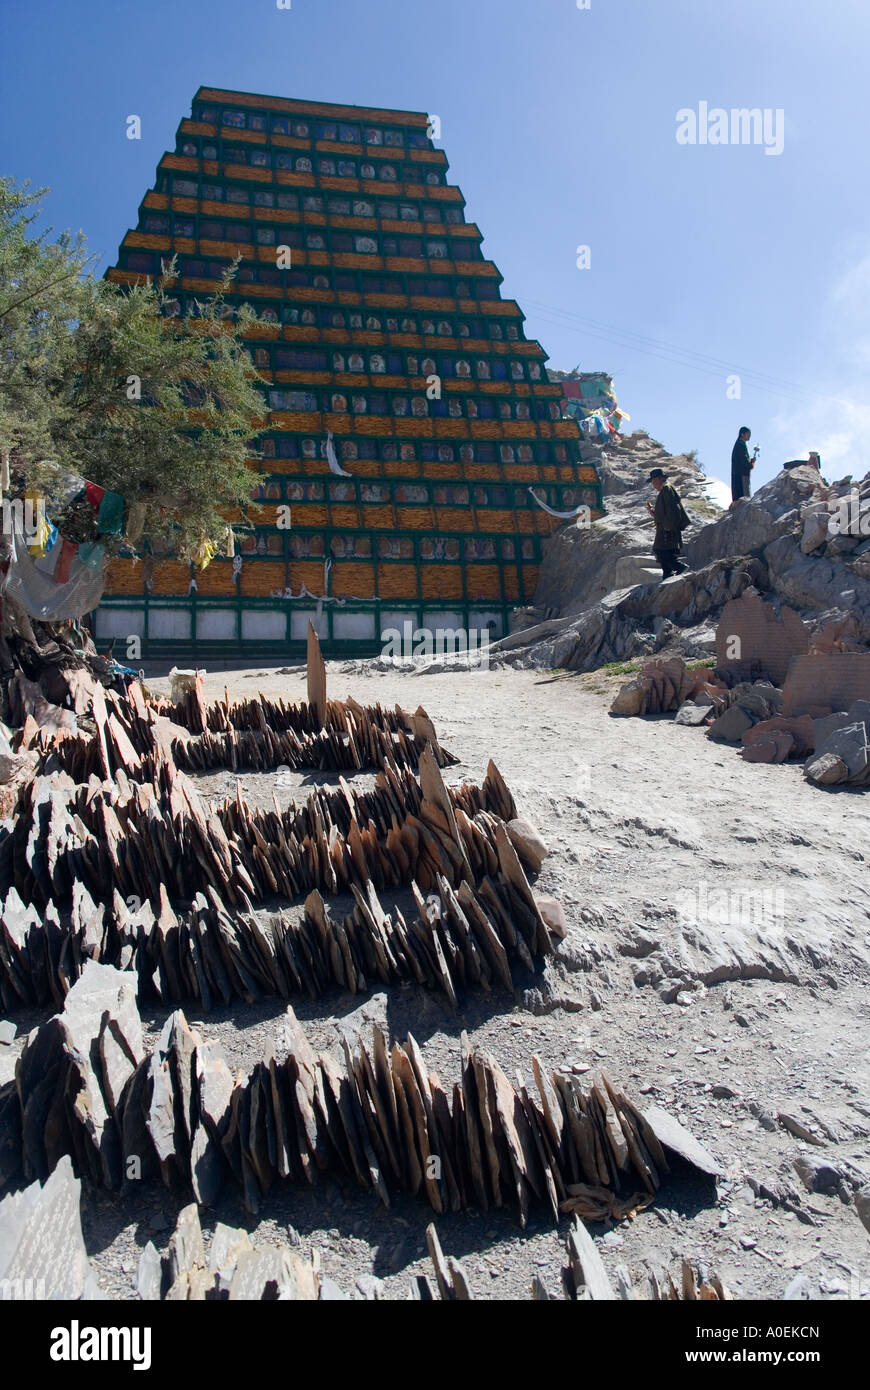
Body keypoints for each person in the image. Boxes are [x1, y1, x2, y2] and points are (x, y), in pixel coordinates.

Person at [646, 468, 691, 578]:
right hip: (666, 527)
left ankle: (679, 567)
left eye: (653, 481)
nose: (653, 484)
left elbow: (672, 509)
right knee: (667, 551)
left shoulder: (667, 489)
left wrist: (668, 526)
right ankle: (667, 574)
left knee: (659, 549)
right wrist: (654, 512)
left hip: (667, 528)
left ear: (659, 479)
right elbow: (664, 512)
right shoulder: (665, 490)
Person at [731, 426, 754, 502]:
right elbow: (743, 460)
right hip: (741, 475)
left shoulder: (740, 444)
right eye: (748, 434)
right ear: (742, 434)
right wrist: (750, 464)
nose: (749, 436)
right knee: (743, 497)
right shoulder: (740, 444)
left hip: (738, 474)